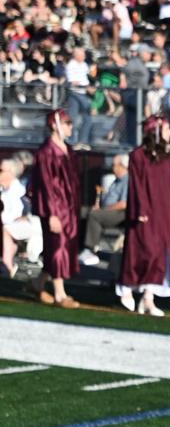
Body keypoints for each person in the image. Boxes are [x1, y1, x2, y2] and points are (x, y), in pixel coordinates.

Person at [119, 115, 170, 317]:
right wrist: (141, 209)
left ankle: (148, 298)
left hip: (163, 213)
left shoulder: (165, 158)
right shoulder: (138, 156)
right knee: (141, 251)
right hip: (144, 212)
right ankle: (127, 287)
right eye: (167, 129)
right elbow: (136, 185)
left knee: (159, 255)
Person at [28, 109, 82, 308]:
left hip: (69, 207)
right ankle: (60, 293)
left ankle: (38, 283)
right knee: (58, 247)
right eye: (67, 123)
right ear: (55, 124)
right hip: (55, 208)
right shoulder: (47, 152)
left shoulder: (68, 149)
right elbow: (46, 185)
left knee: (61, 248)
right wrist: (51, 214)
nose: (70, 127)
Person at [78, 153, 130, 266]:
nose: (112, 167)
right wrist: (99, 207)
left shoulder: (127, 180)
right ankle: (77, 245)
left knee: (95, 215)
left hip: (120, 213)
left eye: (114, 165)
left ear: (122, 166)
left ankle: (90, 249)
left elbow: (123, 204)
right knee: (81, 211)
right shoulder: (116, 181)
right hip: (107, 209)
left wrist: (103, 210)